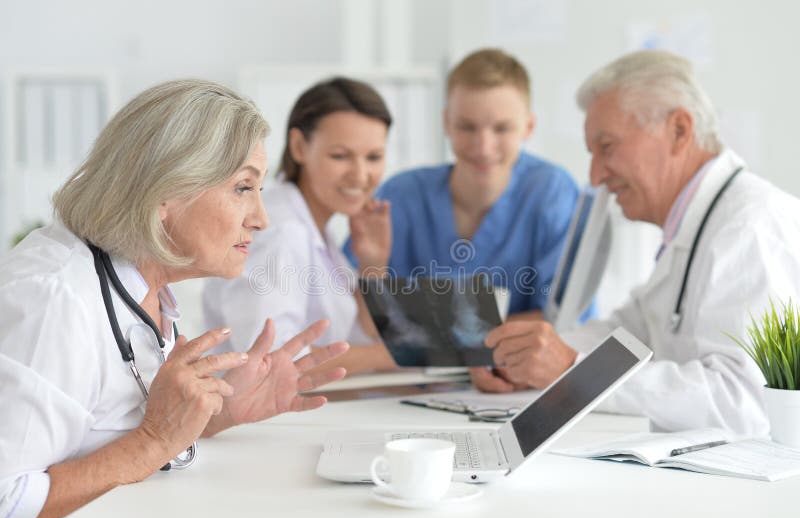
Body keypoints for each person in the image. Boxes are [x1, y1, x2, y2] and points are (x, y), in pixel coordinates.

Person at [0, 79, 348, 518]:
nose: (261, 218)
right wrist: (154, 440)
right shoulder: (55, 300)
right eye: (243, 187)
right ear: (166, 192)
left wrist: (215, 414)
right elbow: (6, 505)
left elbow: (105, 426)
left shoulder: (146, 283)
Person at [476, 50, 800, 435]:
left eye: (607, 147)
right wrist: (524, 357)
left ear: (679, 130)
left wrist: (571, 370)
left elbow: (746, 401)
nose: (595, 176)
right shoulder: (694, 226)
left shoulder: (750, 226)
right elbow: (630, 333)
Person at [346, 48, 581, 366]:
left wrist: (433, 344)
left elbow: (559, 320)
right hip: (407, 387)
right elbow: (362, 313)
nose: (483, 147)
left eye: (501, 129)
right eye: (467, 127)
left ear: (528, 126)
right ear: (446, 122)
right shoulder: (402, 196)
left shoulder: (551, 192)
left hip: (516, 381)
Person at [203, 77, 396, 377]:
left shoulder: (318, 227)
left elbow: (360, 339)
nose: (361, 175)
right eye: (340, 156)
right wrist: (400, 353)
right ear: (298, 147)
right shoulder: (280, 229)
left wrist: (373, 265)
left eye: (373, 157)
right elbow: (270, 360)